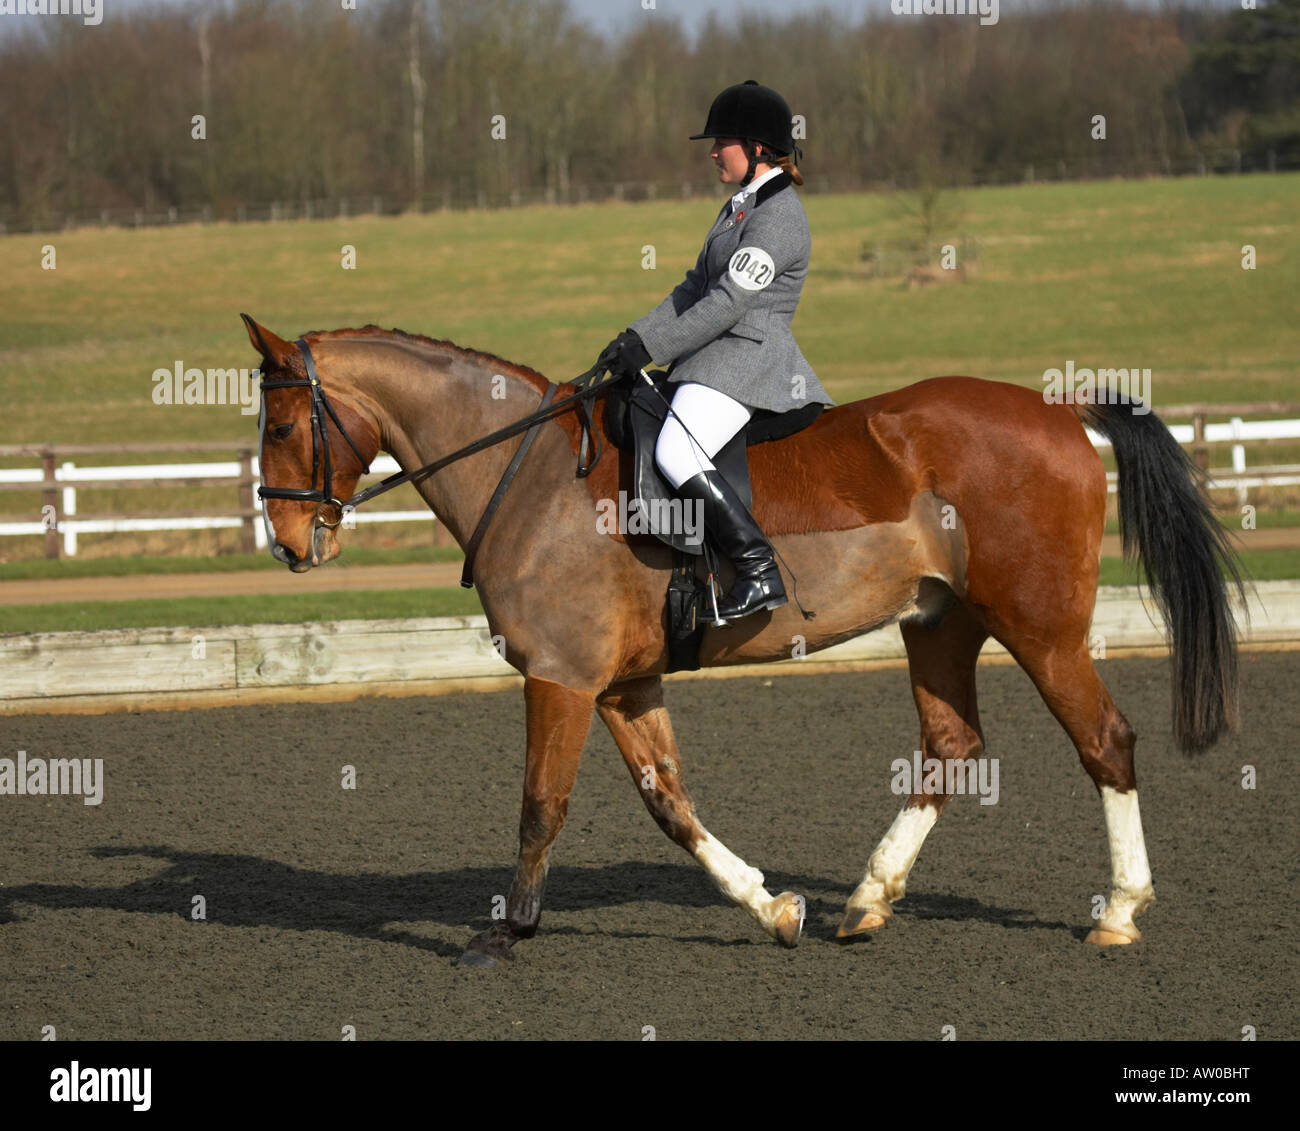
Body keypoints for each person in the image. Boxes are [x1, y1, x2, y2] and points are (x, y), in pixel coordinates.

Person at [597, 79, 834, 623]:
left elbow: (727, 304)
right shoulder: (739, 207)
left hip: (749, 362)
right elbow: (691, 289)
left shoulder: (780, 218)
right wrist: (634, 338)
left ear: (757, 149)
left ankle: (758, 570)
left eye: (720, 141)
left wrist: (655, 347)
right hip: (711, 360)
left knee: (676, 452)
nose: (711, 152)